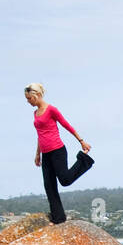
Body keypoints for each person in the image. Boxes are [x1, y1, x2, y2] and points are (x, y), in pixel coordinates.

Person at [25, 83, 93, 224]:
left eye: (29, 98)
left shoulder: (51, 110)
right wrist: (38, 154)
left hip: (57, 151)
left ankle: (84, 160)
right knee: (49, 186)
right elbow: (40, 134)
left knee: (65, 180)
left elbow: (66, 125)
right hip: (45, 154)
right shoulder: (35, 113)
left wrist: (81, 141)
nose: (28, 101)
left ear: (36, 95)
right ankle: (59, 218)